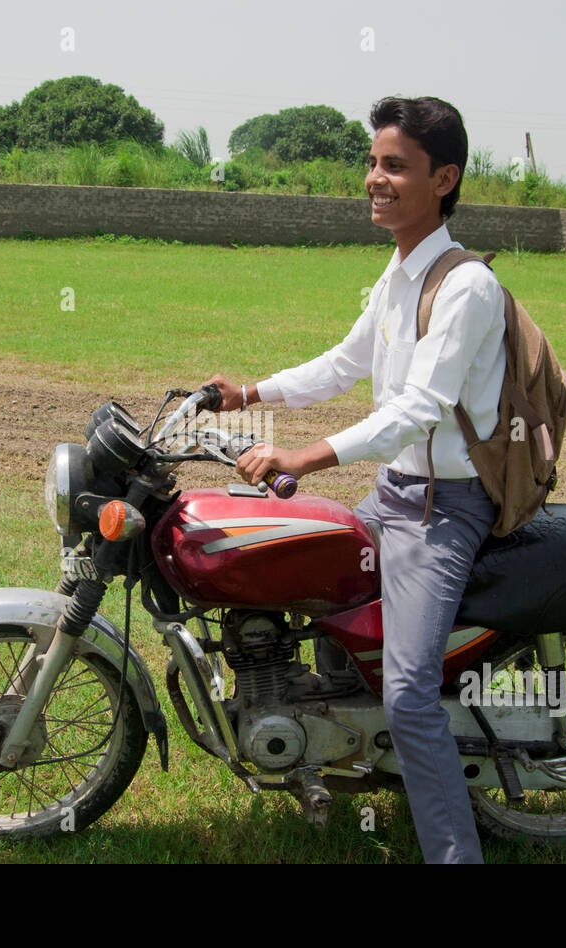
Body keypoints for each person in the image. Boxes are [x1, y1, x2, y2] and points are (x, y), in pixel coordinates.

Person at [205, 96, 506, 864]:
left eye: (394, 165)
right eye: (373, 162)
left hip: (445, 509)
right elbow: (346, 363)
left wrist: (304, 458)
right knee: (321, 604)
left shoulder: (466, 285)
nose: (375, 178)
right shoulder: (401, 269)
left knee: (408, 696)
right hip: (398, 493)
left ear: (445, 178)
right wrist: (251, 393)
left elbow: (419, 409)